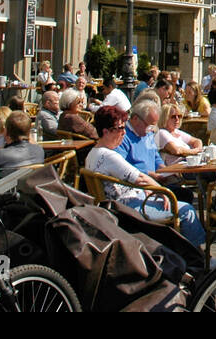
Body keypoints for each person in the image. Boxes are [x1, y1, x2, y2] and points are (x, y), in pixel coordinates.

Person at [87, 106, 205, 248]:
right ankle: (197, 259)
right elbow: (140, 178)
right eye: (120, 129)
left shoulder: (93, 154)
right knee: (186, 211)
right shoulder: (108, 156)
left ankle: (184, 253)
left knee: (180, 198)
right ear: (106, 132)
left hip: (118, 203)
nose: (124, 133)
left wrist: (147, 189)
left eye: (124, 128)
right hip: (127, 208)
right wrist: (161, 191)